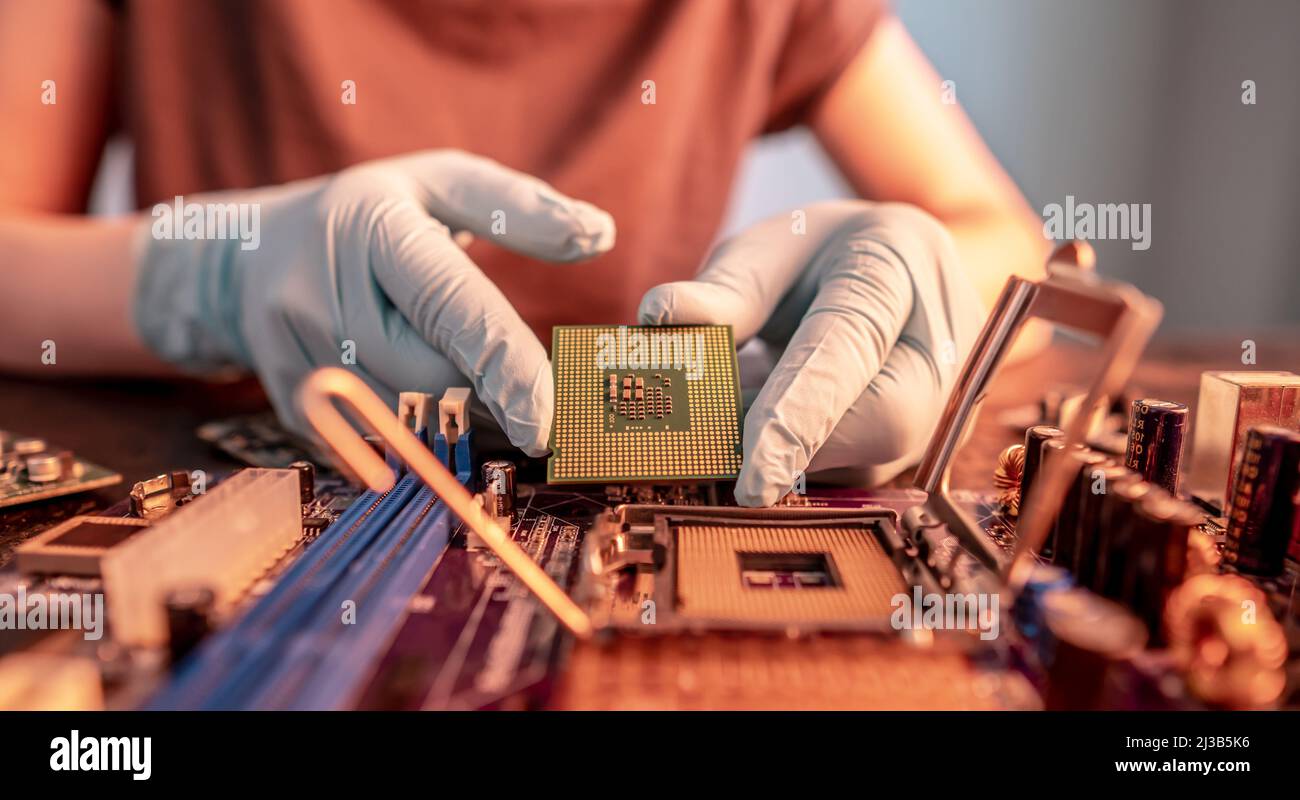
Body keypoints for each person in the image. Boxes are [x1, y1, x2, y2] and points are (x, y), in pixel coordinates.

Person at [0, 0, 1046, 506]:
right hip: (240, 493)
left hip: (632, 478)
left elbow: (996, 228)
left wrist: (920, 287)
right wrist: (216, 275)